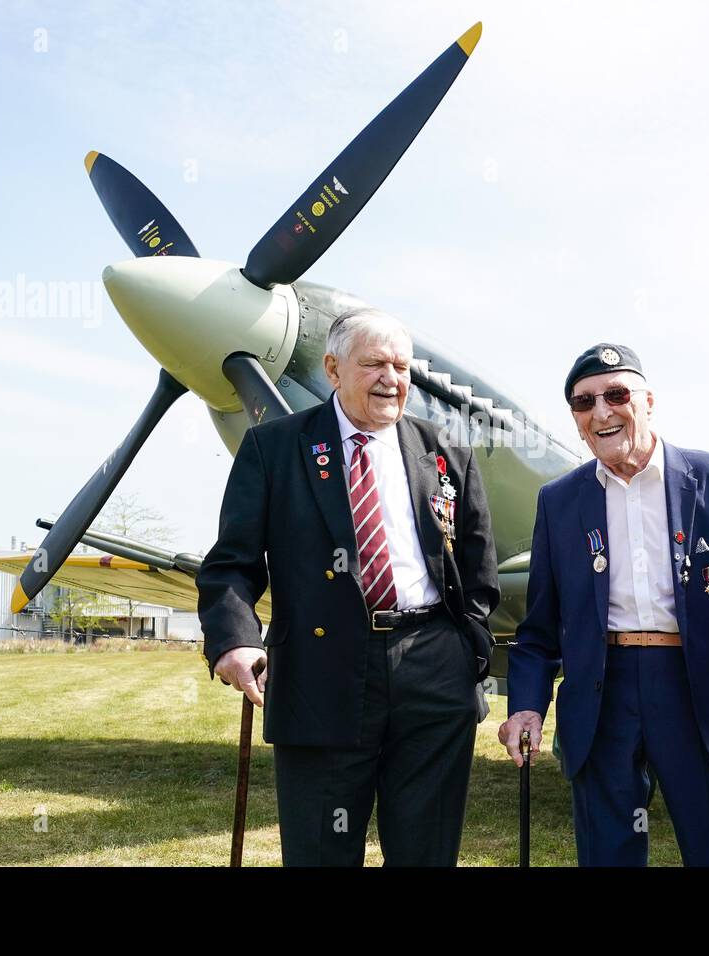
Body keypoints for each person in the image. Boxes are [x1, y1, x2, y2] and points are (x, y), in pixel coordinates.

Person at [196, 307, 499, 866]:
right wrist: (235, 639)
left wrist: (467, 647)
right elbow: (230, 564)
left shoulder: (445, 451)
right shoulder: (274, 449)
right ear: (333, 369)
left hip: (434, 671)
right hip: (320, 672)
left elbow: (478, 562)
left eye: (402, 366)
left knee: (426, 851)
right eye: (375, 364)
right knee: (321, 852)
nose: (392, 378)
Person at [499, 343, 709, 866]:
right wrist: (527, 705)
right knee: (608, 854)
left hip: (694, 689)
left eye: (616, 394)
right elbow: (539, 628)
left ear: (649, 401)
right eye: (583, 402)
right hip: (601, 695)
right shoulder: (559, 501)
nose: (601, 412)